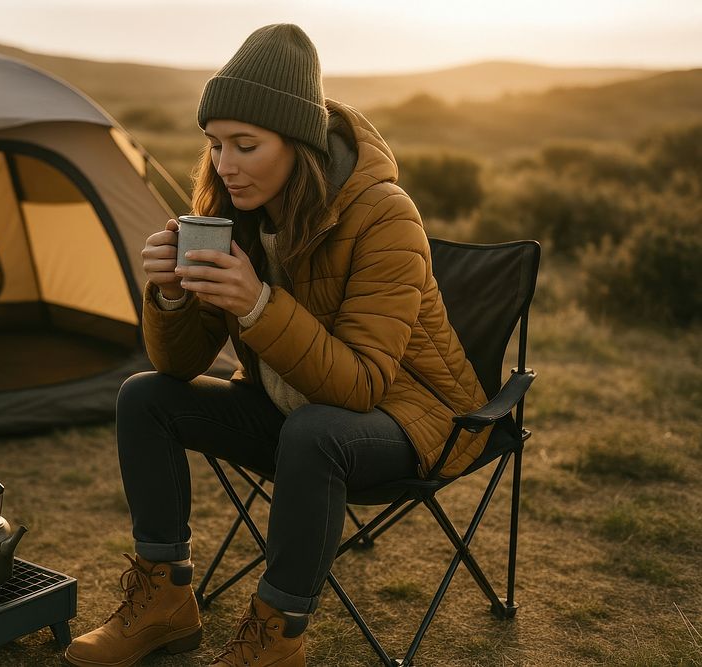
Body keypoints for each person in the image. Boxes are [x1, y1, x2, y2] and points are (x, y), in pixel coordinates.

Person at [64, 23, 490, 667]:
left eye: (246, 145)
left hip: (414, 421)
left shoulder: (385, 214)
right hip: (291, 414)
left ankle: (277, 634)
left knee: (316, 431)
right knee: (145, 397)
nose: (225, 165)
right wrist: (173, 296)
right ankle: (164, 601)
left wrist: (257, 305)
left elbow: (363, 386)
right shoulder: (234, 213)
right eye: (214, 145)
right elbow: (178, 365)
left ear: (298, 145)